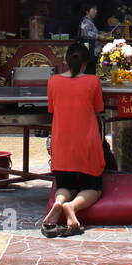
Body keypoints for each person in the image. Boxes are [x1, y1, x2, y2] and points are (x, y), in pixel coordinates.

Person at [41, 43, 104, 238]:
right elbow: (98, 108)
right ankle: (72, 207)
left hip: (62, 144)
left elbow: (51, 108)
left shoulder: (53, 81)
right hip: (86, 143)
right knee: (93, 188)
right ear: (85, 64)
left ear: (66, 60)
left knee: (64, 186)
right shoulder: (93, 81)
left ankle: (59, 202)